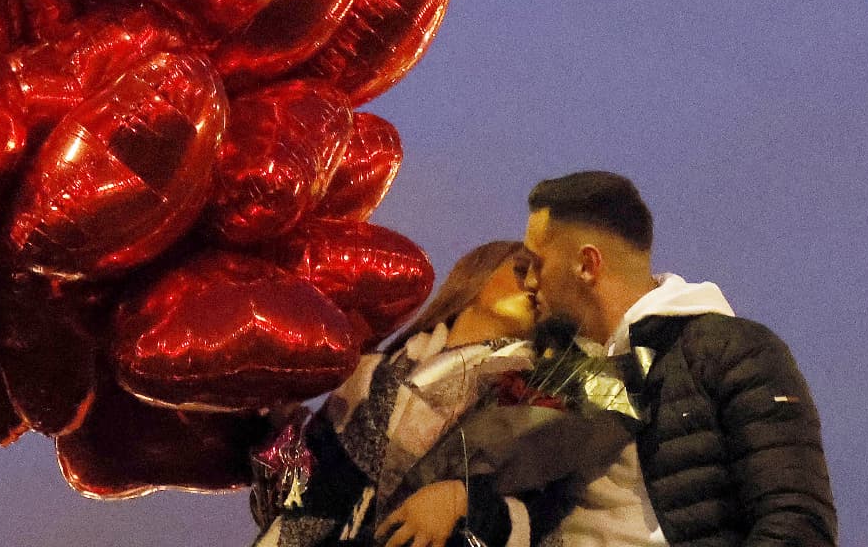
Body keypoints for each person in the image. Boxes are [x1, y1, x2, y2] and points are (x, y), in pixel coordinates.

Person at [522, 171, 838, 547]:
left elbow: (796, 523)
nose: (528, 282)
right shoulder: (548, 374)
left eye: (537, 263)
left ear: (587, 265)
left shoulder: (729, 351)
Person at [253, 240, 547, 547]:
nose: (532, 283)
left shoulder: (526, 396)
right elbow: (290, 502)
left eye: (541, 279)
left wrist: (463, 504)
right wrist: (281, 429)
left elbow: (535, 514)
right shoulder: (368, 377)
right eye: (520, 269)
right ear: (476, 275)